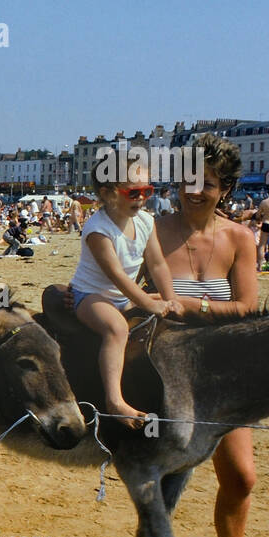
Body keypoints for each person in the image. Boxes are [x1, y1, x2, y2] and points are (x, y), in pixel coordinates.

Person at [141, 133, 269, 537]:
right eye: (187, 179)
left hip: (224, 374)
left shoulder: (240, 238)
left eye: (208, 182)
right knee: (168, 474)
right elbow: (134, 293)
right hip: (169, 370)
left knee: (241, 477)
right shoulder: (153, 230)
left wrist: (191, 306)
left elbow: (246, 308)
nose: (195, 190)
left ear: (226, 187)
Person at [69, 157, 182, 428]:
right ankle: (115, 400)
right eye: (134, 193)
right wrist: (147, 301)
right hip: (91, 295)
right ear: (107, 194)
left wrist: (170, 298)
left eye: (147, 191)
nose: (142, 198)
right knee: (117, 329)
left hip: (124, 297)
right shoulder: (98, 229)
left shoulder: (145, 220)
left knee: (179, 309)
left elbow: (156, 263)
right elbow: (116, 275)